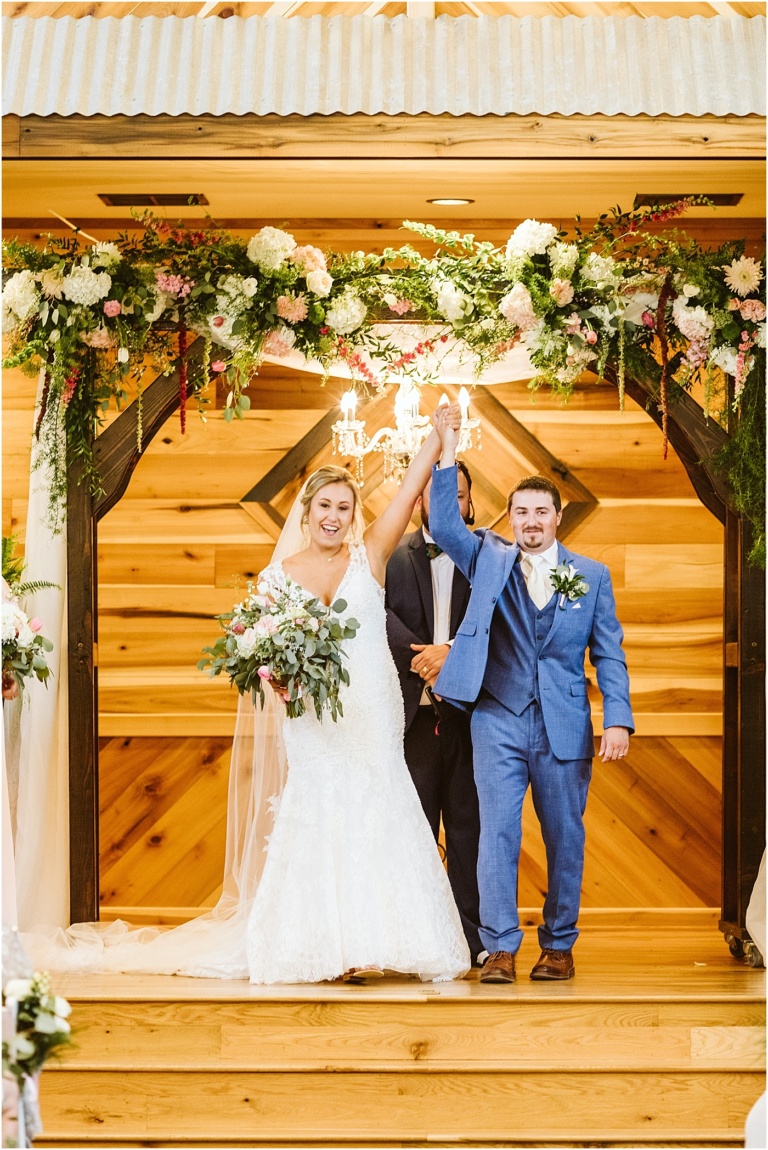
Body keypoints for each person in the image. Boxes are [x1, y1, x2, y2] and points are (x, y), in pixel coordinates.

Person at [23, 405, 470, 986]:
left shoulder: (372, 556)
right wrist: (277, 676)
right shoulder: (280, 576)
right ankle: (327, 945)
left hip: (375, 711)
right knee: (321, 810)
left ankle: (378, 941)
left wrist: (442, 439)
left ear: (356, 516)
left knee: (380, 808)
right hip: (315, 720)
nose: (334, 517)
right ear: (306, 513)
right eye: (324, 507)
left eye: (344, 508)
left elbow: (412, 487)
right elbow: (261, 654)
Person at [429, 413, 633, 984]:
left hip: (566, 722)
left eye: (541, 511)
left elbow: (609, 653)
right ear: (510, 517)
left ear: (557, 518)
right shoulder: (488, 558)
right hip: (497, 717)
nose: (531, 521)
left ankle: (559, 944)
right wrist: (447, 452)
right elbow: (445, 524)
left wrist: (617, 718)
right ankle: (499, 949)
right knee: (496, 832)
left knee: (565, 835)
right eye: (521, 511)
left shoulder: (591, 576)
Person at [385, 465, 483, 964]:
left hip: (473, 720)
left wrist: (451, 654)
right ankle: (414, 942)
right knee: (414, 833)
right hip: (413, 720)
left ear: (468, 502)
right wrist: (423, 660)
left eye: (457, 496)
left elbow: (491, 623)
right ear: (420, 501)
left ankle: (472, 942)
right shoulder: (392, 556)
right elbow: (378, 615)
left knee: (469, 833)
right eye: (435, 497)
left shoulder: (486, 556)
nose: (446, 505)